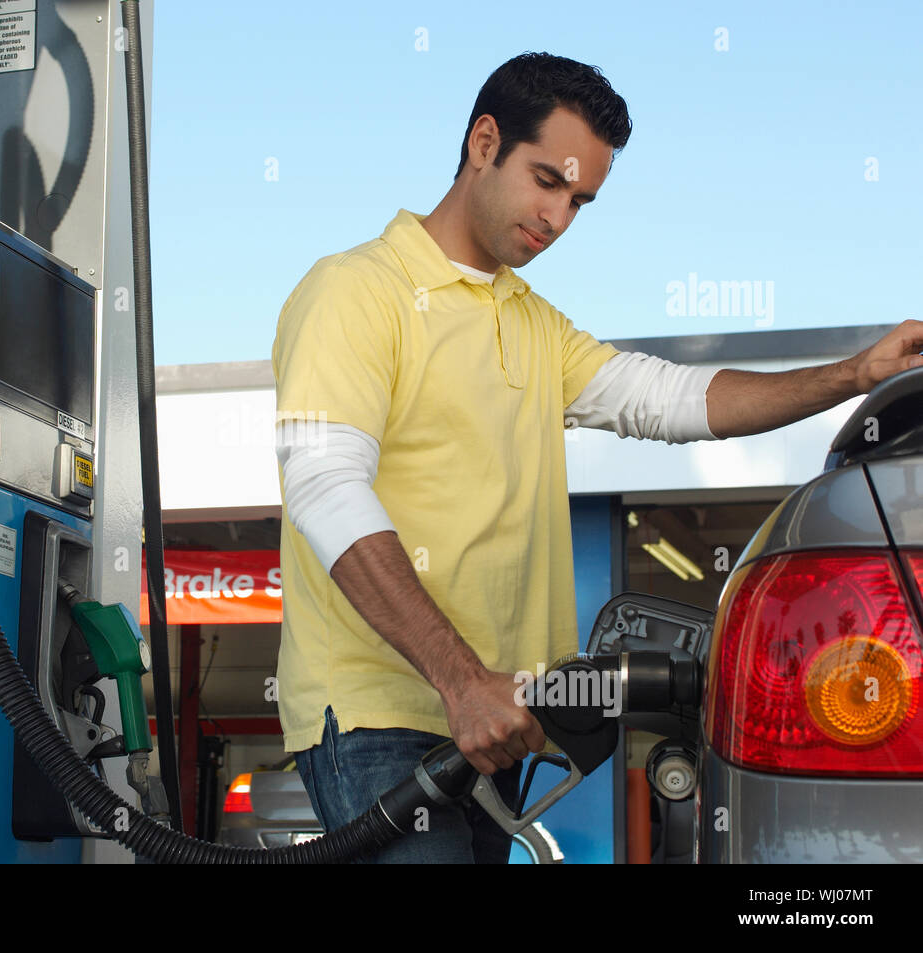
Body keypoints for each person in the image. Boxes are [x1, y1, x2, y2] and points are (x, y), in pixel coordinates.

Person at [270, 51, 923, 864]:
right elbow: (325, 487)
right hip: (383, 713)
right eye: (547, 180)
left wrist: (855, 373)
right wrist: (462, 679)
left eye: (580, 201)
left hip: (495, 718)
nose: (558, 217)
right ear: (484, 142)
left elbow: (677, 401)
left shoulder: (534, 322)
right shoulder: (353, 291)